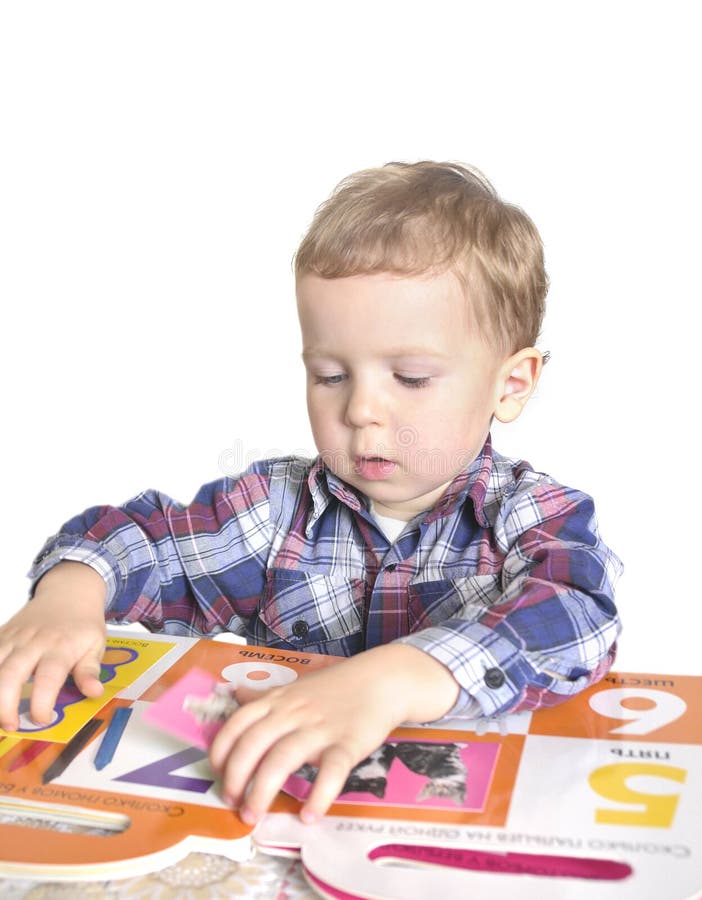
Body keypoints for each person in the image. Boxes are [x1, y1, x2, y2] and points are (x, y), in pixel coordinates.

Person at [0, 161, 622, 826]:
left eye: (410, 378)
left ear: (511, 385)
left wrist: (396, 677)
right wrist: (71, 591)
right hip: (279, 819)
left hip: (455, 826)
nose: (361, 411)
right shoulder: (273, 509)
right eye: (330, 376)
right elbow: (148, 542)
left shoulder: (531, 516)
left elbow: (579, 612)